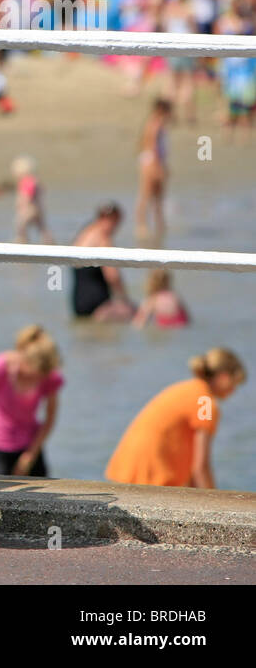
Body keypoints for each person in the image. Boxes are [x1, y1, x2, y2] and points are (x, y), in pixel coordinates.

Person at [105, 348, 246, 488]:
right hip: (149, 477)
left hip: (127, 469)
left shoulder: (188, 389)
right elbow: (200, 467)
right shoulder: (205, 402)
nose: (234, 391)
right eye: (235, 384)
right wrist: (216, 505)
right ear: (224, 378)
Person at [0, 325, 63, 477]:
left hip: (29, 443)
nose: (39, 379)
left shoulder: (48, 376)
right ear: (24, 360)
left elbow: (50, 418)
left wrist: (31, 453)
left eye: (43, 375)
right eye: (35, 375)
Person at [71, 202, 135, 321]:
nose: (116, 228)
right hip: (98, 305)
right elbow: (112, 275)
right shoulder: (103, 238)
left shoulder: (85, 233)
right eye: (116, 223)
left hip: (79, 305)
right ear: (110, 219)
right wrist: (125, 299)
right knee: (135, 313)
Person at [134, 97, 171, 243]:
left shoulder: (153, 122)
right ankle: (141, 226)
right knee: (147, 193)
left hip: (152, 160)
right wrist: (159, 167)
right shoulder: (156, 123)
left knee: (157, 196)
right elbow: (153, 145)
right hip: (151, 161)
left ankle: (159, 226)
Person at [11, 155, 52, 243]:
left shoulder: (26, 181)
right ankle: (49, 241)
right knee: (42, 228)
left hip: (28, 209)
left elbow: (26, 195)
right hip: (38, 209)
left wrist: (21, 203)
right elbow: (42, 191)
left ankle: (21, 241)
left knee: (20, 226)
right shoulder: (36, 180)